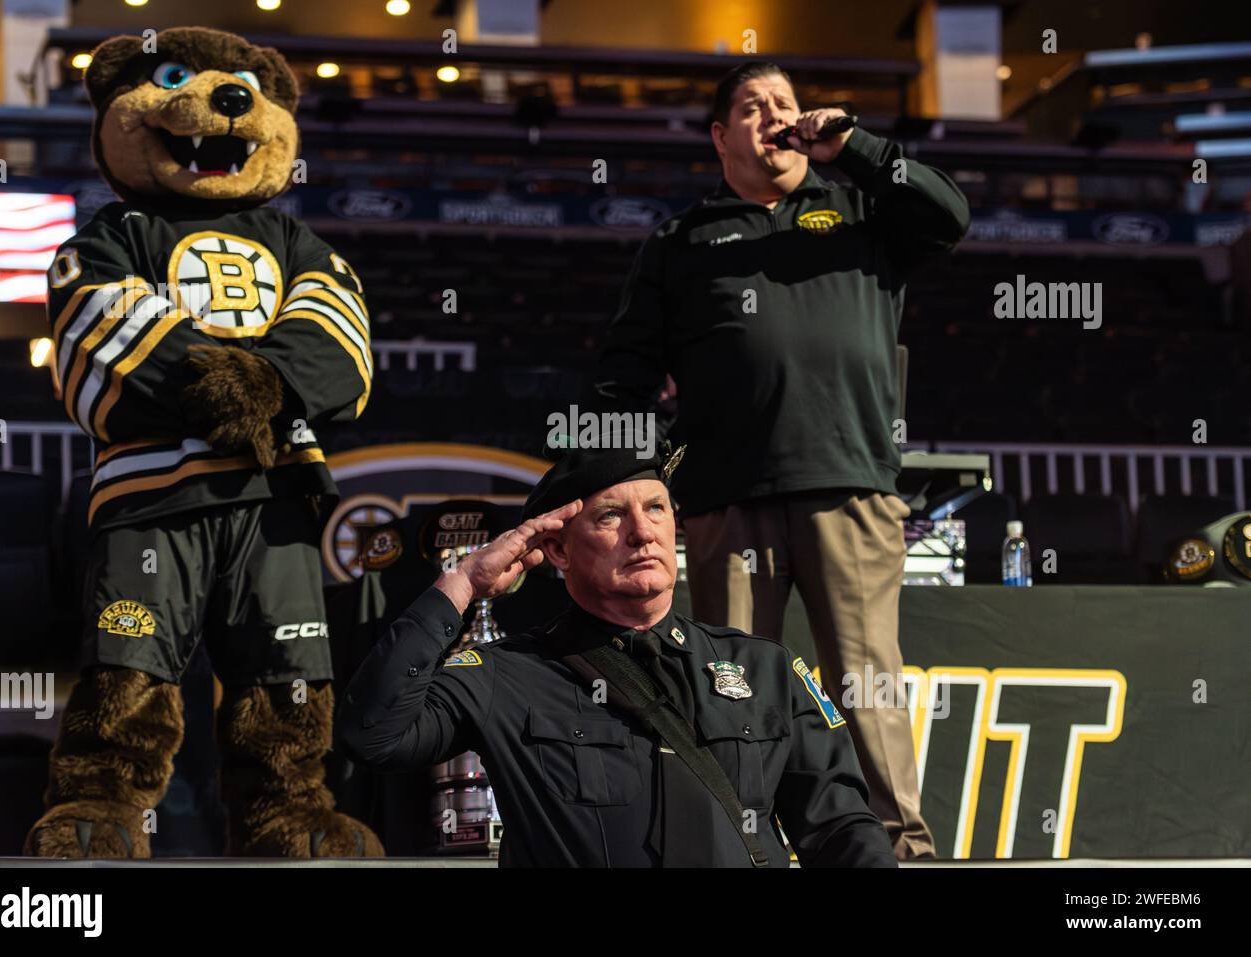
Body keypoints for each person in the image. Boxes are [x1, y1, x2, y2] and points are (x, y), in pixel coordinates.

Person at [586, 62, 971, 860]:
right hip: (728, 495)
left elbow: (949, 212)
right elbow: (624, 365)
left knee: (865, 683)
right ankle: (740, 846)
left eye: (786, 105)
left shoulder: (865, 207)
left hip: (851, 486)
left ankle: (898, 849)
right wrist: (634, 470)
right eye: (753, 107)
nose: (775, 116)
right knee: (733, 689)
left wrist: (856, 145)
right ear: (721, 135)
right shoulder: (681, 240)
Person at [336, 444, 897, 867]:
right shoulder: (506, 674)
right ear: (556, 548)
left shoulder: (764, 669)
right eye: (610, 516)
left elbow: (839, 829)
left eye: (656, 509)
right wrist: (462, 584)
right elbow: (371, 732)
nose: (642, 533)